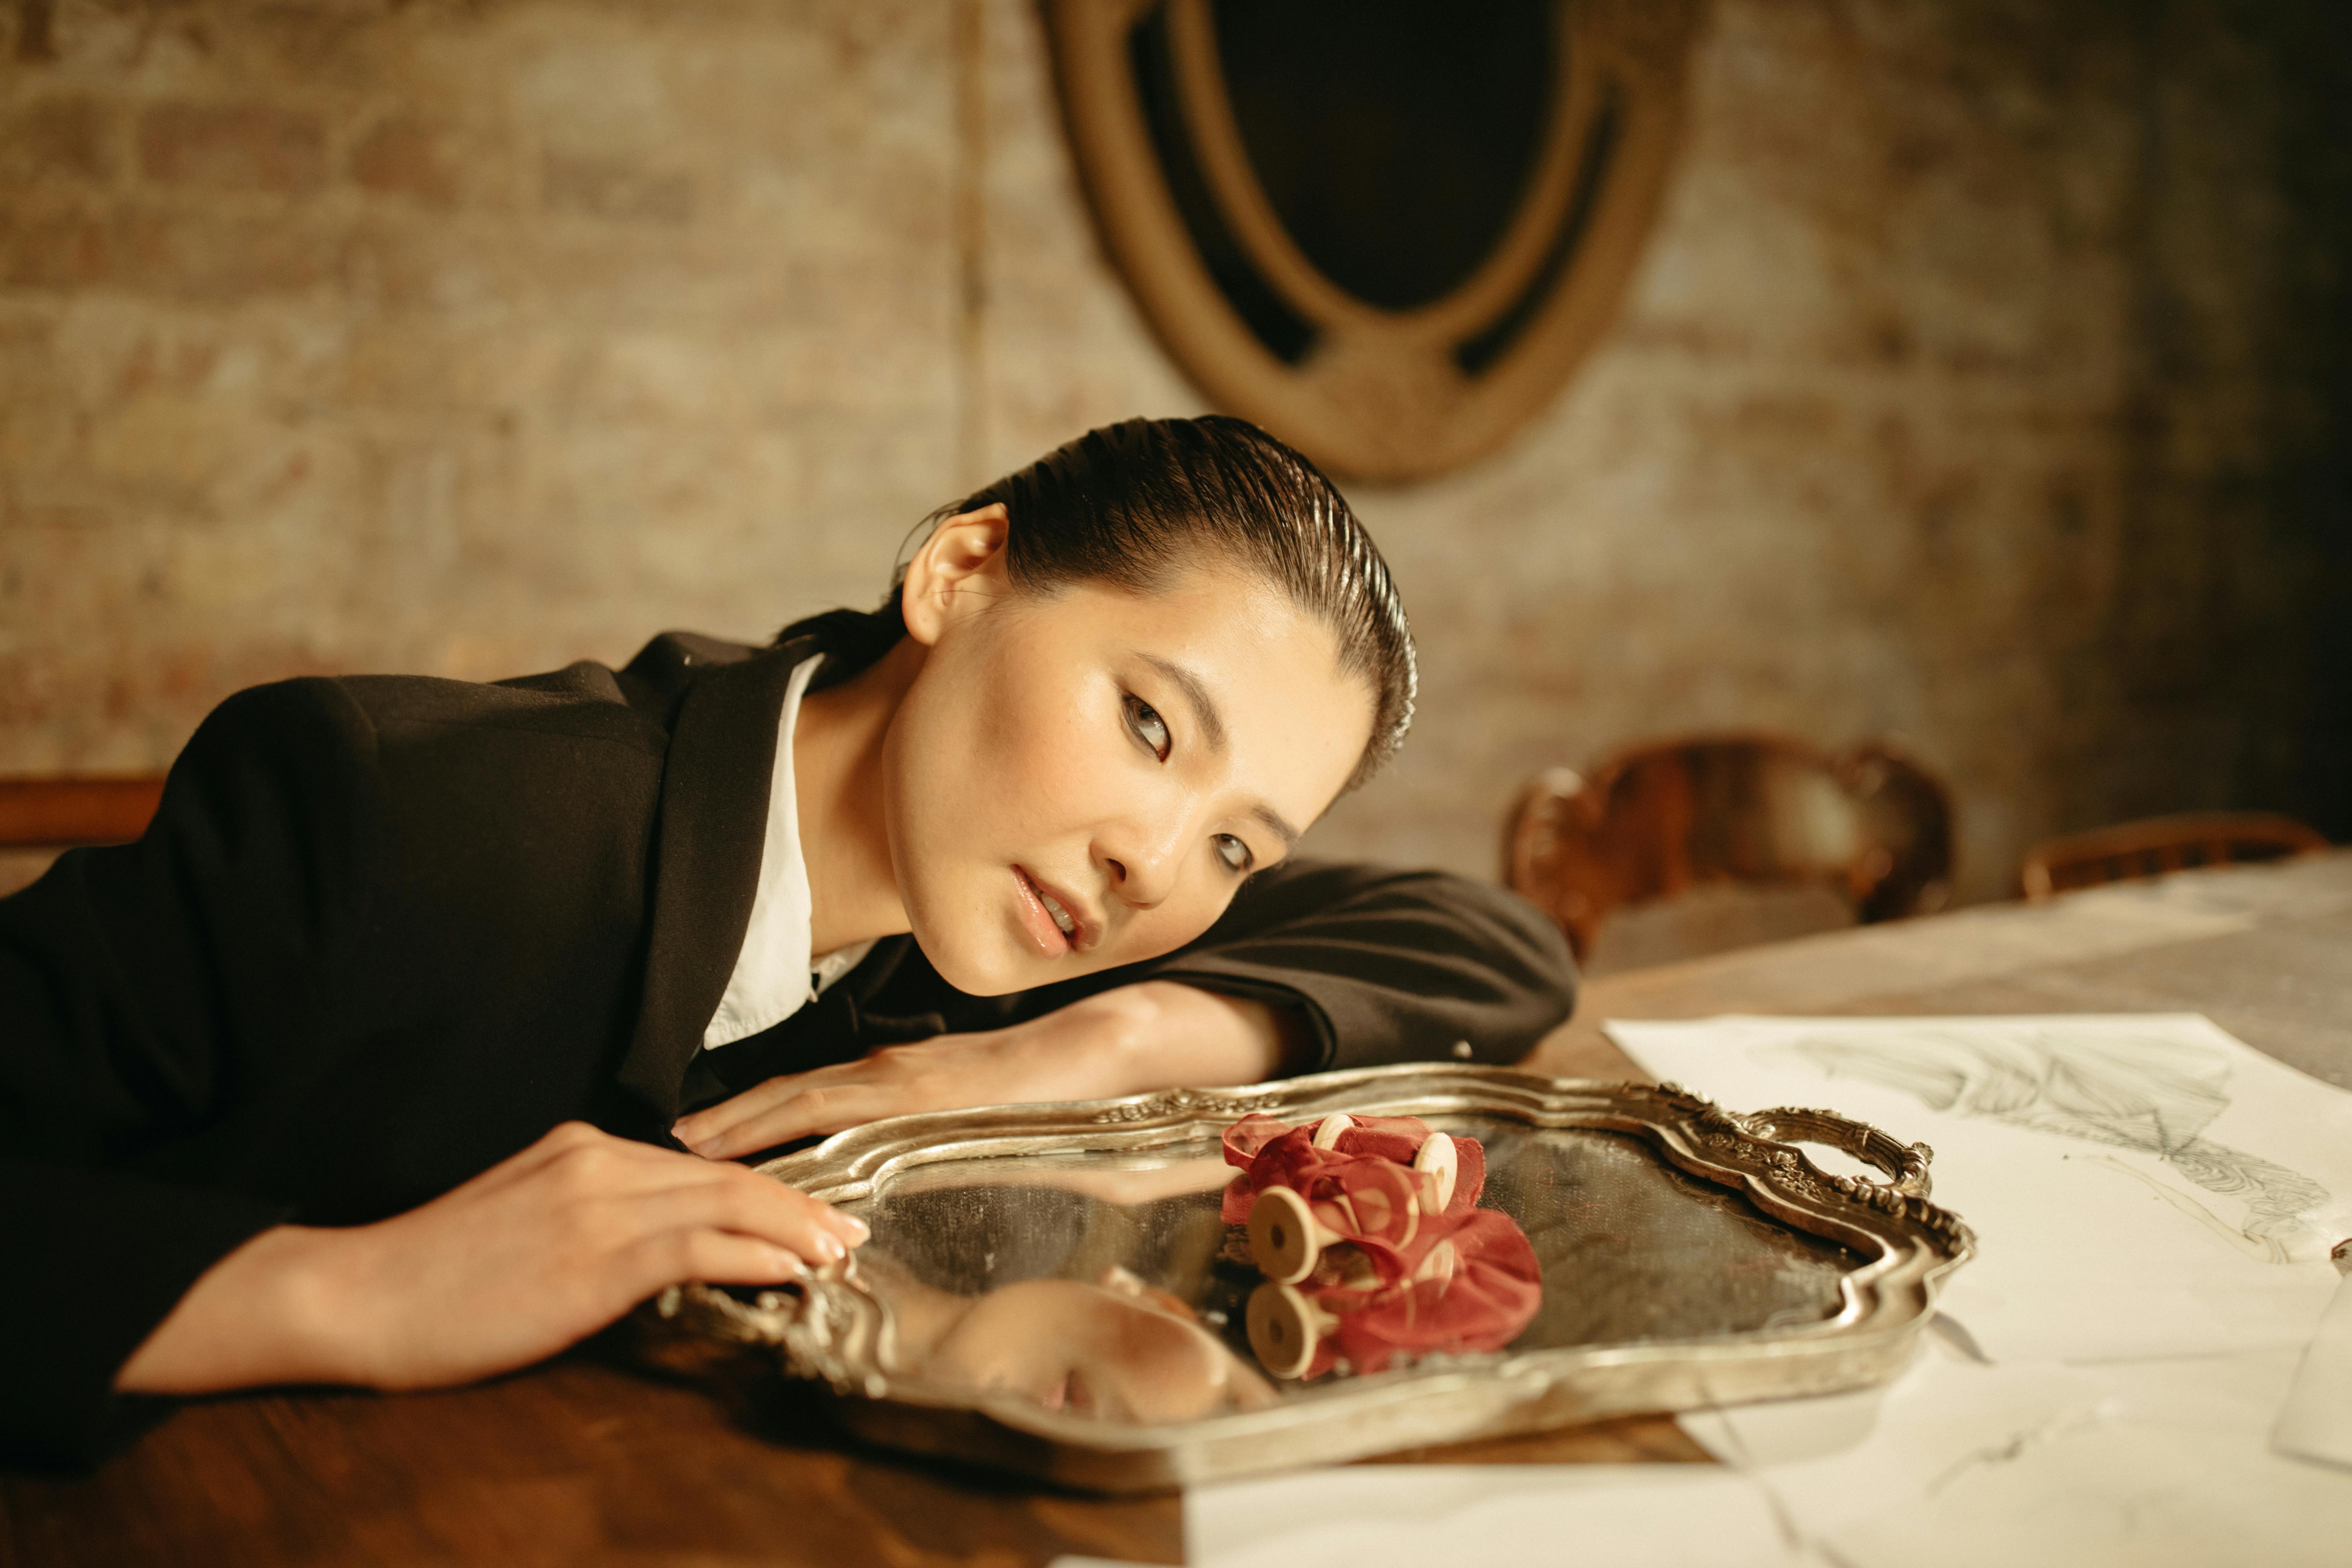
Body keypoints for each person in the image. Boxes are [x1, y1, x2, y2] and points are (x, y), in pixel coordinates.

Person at [0, 416, 1575, 1465]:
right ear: (960, 572)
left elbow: (1494, 942)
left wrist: (1087, 1041)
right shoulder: (388, 816)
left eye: (1238, 844)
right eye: (1150, 723)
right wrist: (354, 1293)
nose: (1155, 864)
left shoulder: (1032, 910)